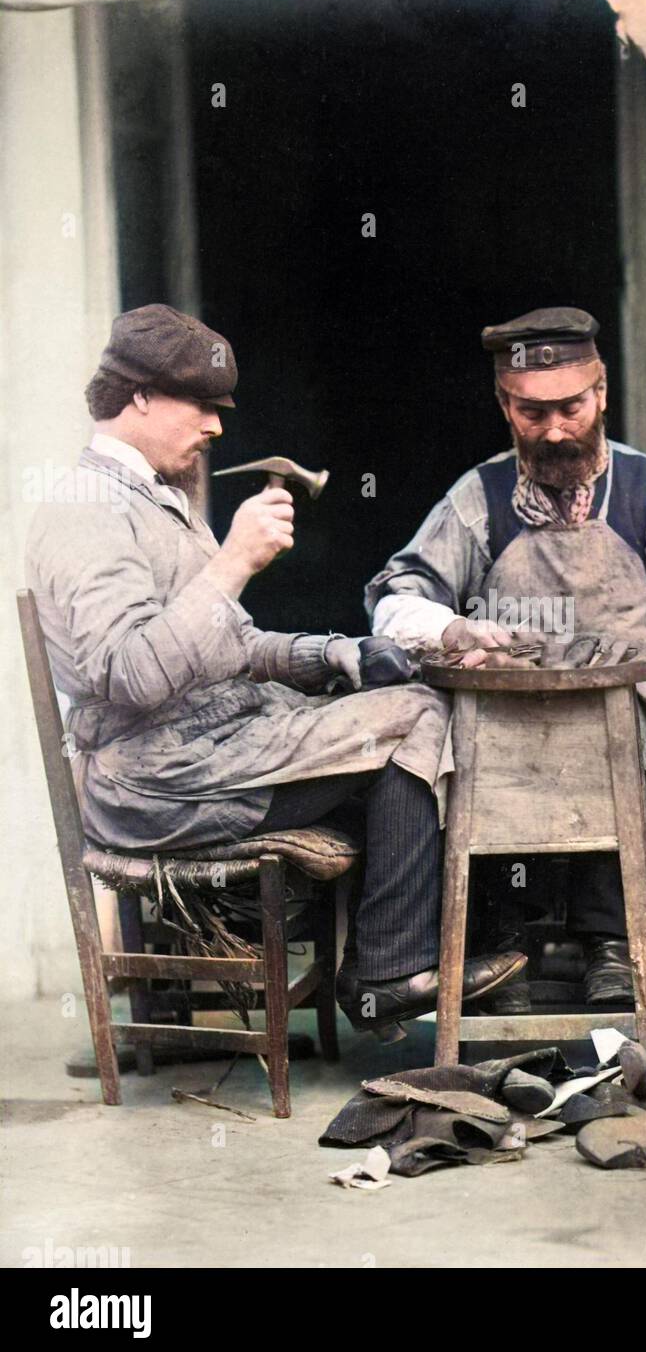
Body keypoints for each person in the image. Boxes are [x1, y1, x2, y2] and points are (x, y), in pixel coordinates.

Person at [25, 304, 524, 1040]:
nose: (216, 427)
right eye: (201, 406)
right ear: (138, 397)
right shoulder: (87, 512)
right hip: (159, 778)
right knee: (418, 718)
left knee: (400, 700)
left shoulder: (153, 497)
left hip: (208, 748)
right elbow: (127, 673)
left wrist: (335, 654)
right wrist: (232, 563)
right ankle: (389, 973)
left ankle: (407, 960)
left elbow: (227, 644)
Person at [365, 307, 646, 1007]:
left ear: (601, 394)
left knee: (607, 744)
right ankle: (504, 946)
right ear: (506, 406)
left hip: (619, 718)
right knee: (485, 758)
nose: (556, 429)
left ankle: (614, 941)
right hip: (507, 724)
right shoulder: (477, 499)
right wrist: (452, 632)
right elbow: (394, 601)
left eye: (570, 407)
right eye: (533, 413)